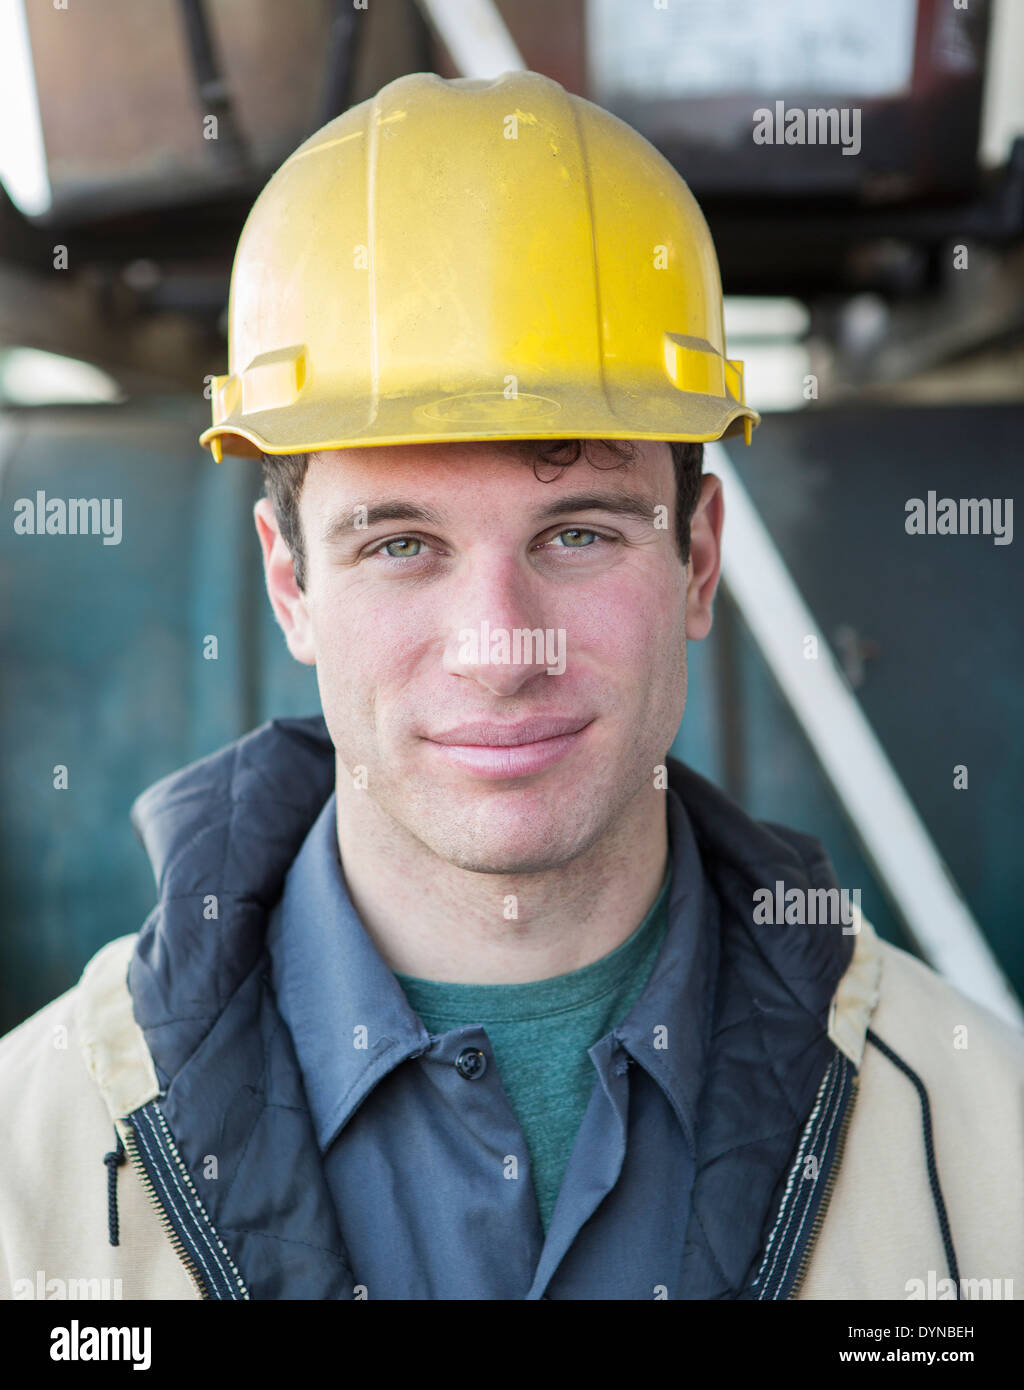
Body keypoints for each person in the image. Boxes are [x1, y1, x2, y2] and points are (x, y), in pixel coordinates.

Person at [1, 70, 1021, 1303]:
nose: (499, 646)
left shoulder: (979, 1138)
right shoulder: (34, 1165)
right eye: (400, 545)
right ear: (292, 586)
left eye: (578, 532)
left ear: (697, 557)